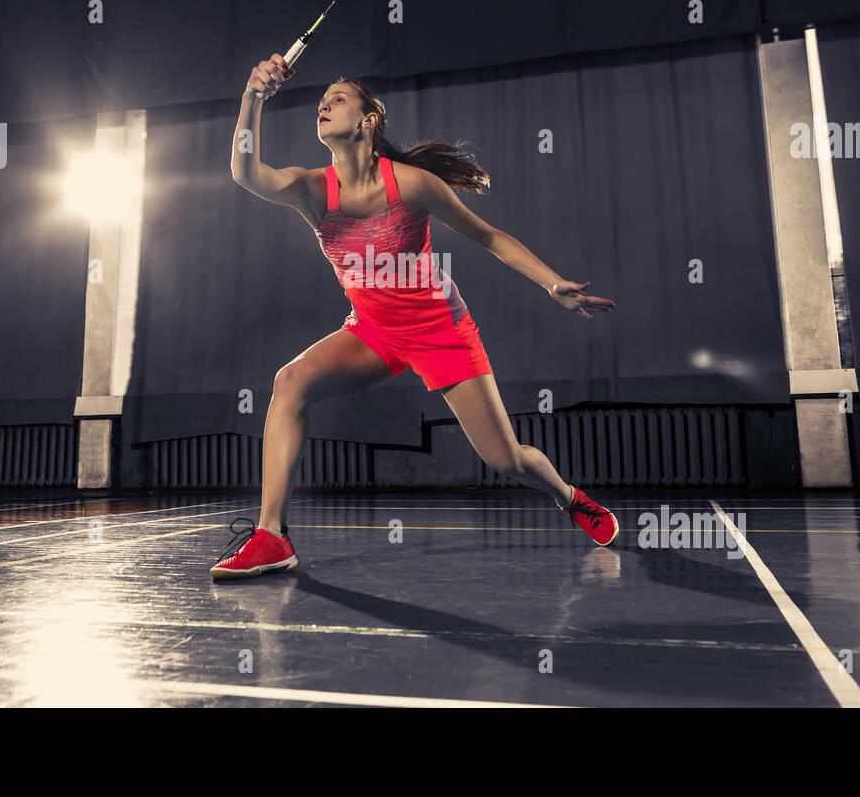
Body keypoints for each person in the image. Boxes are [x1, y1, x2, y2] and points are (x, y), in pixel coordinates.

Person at [212, 53, 618, 580]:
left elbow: (487, 235)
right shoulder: (311, 188)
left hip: (440, 331)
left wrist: (551, 282)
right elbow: (246, 173)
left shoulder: (411, 184)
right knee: (289, 382)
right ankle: (273, 536)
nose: (324, 106)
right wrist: (252, 97)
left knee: (506, 459)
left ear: (368, 119)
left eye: (338, 98)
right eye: (321, 101)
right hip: (372, 331)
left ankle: (567, 496)